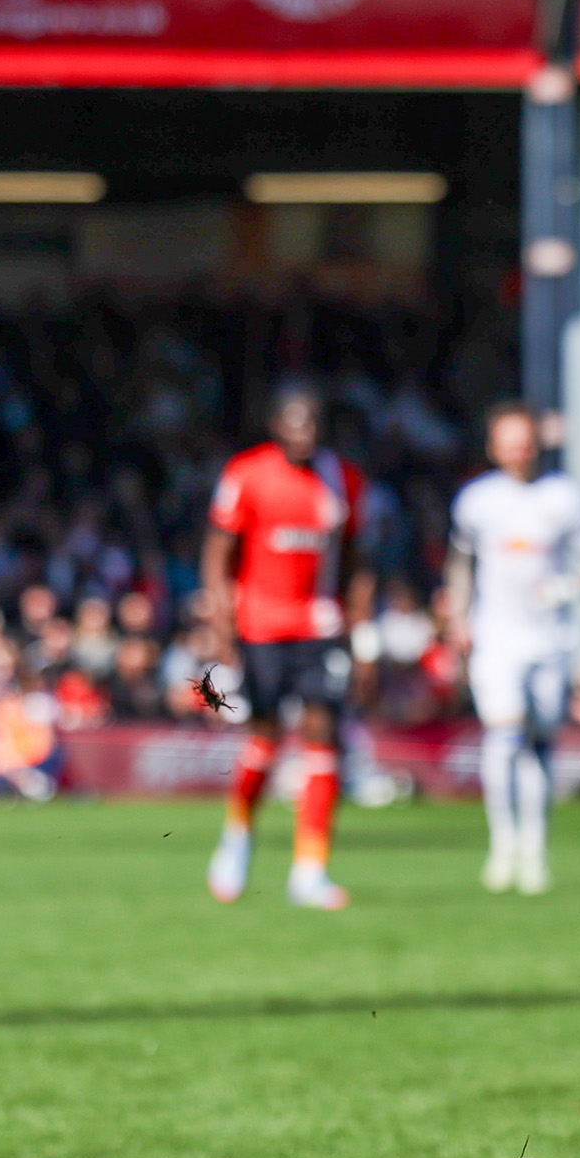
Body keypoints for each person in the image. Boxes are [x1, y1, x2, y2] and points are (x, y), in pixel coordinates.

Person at [202, 384, 367, 910]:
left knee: (322, 734)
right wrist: (222, 625)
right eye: (295, 423)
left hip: (319, 626)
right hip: (261, 626)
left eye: (313, 423)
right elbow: (218, 552)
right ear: (275, 425)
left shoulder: (343, 480)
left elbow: (358, 560)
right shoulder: (246, 474)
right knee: (266, 737)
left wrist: (360, 633)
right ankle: (238, 837)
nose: (305, 433)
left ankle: (311, 869)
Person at [447, 403, 580, 895]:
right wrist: (457, 616)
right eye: (509, 440)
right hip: (497, 635)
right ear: (494, 446)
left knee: (540, 743)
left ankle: (535, 850)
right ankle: (503, 847)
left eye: (526, 439)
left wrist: (569, 588)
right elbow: (460, 562)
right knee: (505, 731)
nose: (519, 450)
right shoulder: (476, 500)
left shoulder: (565, 498)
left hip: (550, 639)